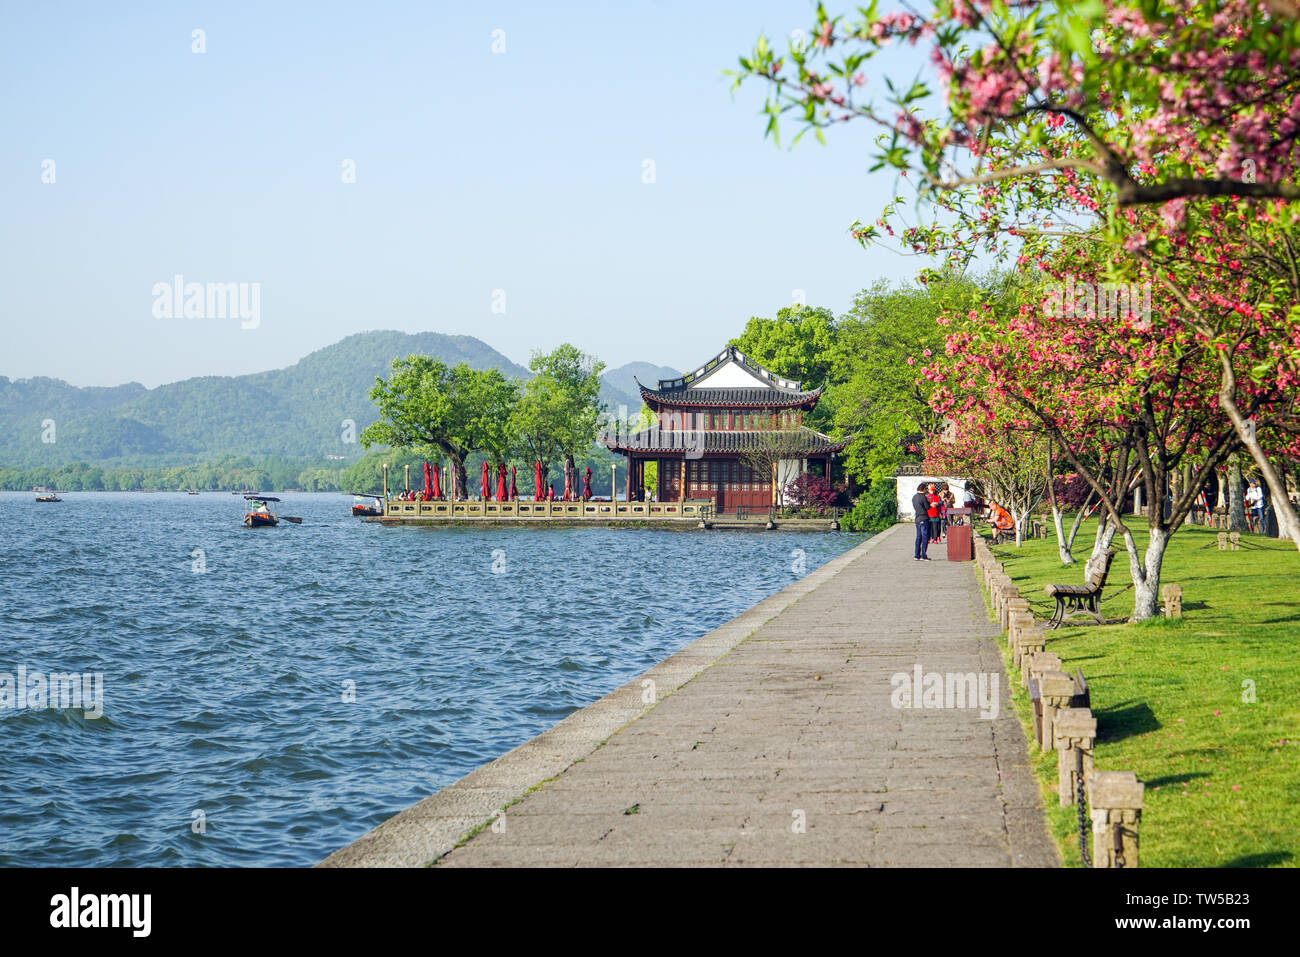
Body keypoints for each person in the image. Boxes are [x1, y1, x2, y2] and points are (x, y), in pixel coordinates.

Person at [911, 484, 932, 561]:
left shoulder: (914, 497)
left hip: (917, 518)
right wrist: (929, 502)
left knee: (918, 537)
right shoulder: (923, 497)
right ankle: (923, 555)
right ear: (923, 489)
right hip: (924, 517)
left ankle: (916, 555)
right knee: (925, 537)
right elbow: (927, 507)